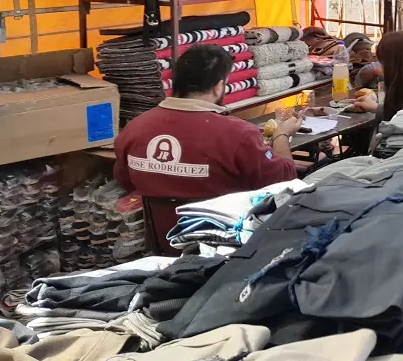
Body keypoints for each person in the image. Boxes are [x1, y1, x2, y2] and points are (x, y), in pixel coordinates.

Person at [114, 43, 302, 250]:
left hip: (164, 246)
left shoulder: (134, 129)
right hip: (224, 248)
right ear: (219, 86)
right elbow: (285, 182)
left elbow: (126, 181)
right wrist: (281, 135)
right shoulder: (238, 134)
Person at [352, 30, 403, 120]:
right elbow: (399, 113)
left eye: (383, 64)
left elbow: (401, 119)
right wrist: (376, 107)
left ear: (393, 65)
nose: (382, 69)